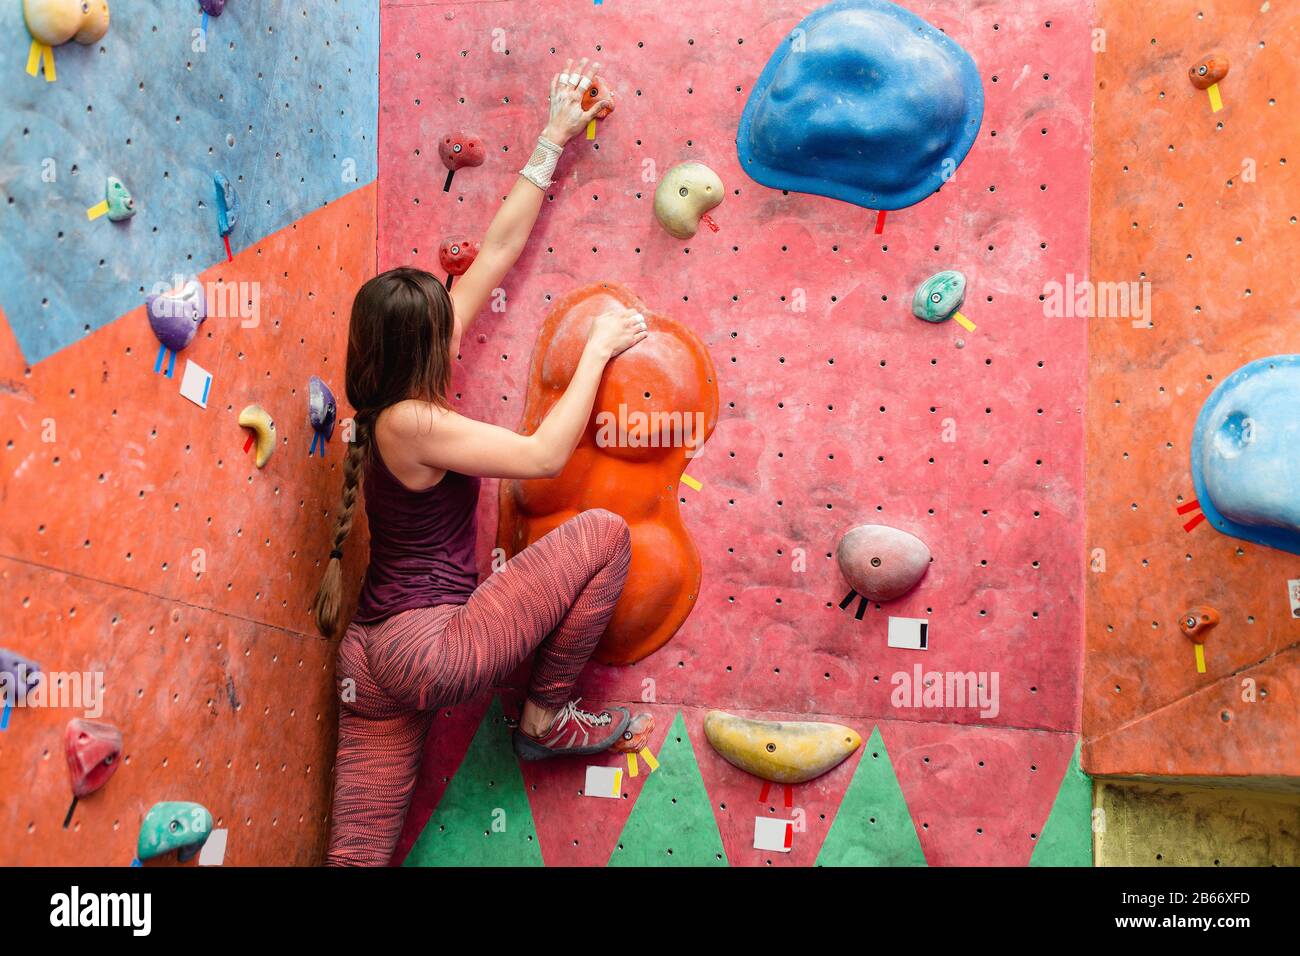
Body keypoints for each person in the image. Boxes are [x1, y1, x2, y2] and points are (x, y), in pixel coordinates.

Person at [313, 59, 647, 867]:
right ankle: (545, 721)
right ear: (429, 341)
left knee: (354, 861)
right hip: (434, 648)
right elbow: (541, 455)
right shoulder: (416, 422)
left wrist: (552, 137)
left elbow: (494, 250)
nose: (456, 315)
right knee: (604, 535)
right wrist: (599, 349)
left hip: (370, 658)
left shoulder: (391, 400)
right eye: (445, 316)